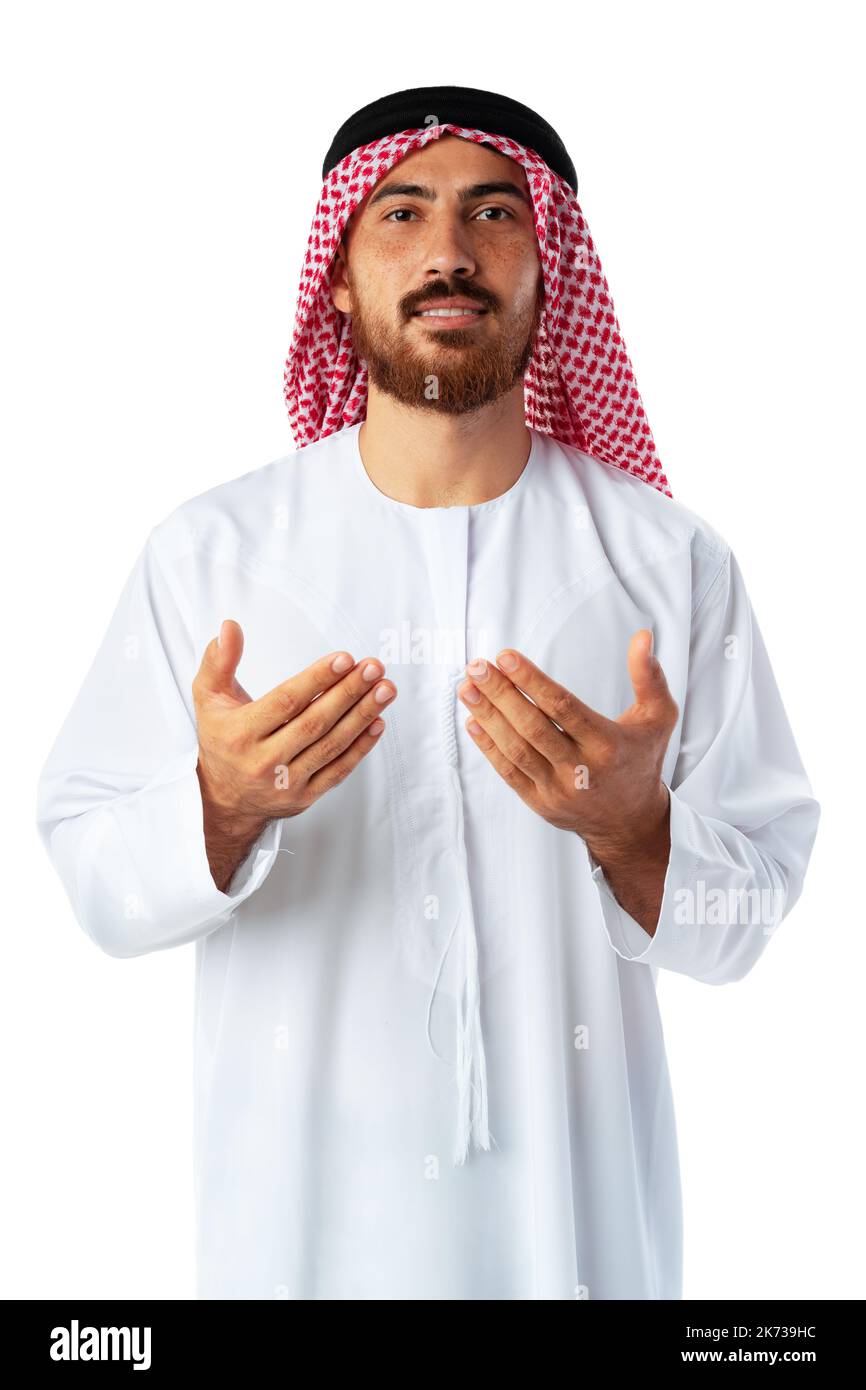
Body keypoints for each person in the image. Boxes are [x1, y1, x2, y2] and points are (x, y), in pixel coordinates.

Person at [35, 85, 820, 1300]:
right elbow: (92, 875)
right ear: (337, 277)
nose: (447, 252)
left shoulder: (667, 563)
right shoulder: (213, 555)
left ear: (546, 267)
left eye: (491, 213)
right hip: (289, 1244)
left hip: (579, 1244)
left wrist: (636, 834)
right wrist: (221, 808)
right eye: (399, 214)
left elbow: (752, 917)